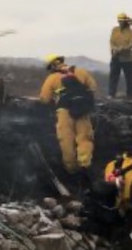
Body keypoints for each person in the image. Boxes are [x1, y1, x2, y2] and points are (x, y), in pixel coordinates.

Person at [38, 54, 98, 186]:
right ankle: (85, 165)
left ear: (52, 66)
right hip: (82, 109)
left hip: (64, 111)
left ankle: (72, 170)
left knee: (66, 140)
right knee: (84, 138)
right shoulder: (80, 71)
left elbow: (44, 99)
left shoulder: (52, 77)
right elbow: (93, 86)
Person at [109, 13, 132, 100]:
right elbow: (111, 41)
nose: (120, 22)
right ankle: (111, 94)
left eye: (122, 21)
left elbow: (131, 44)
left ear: (125, 21)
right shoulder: (115, 30)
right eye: (119, 21)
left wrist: (122, 48)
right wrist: (114, 48)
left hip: (127, 58)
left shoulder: (130, 32)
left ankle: (130, 95)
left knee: (129, 78)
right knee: (113, 77)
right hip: (115, 57)